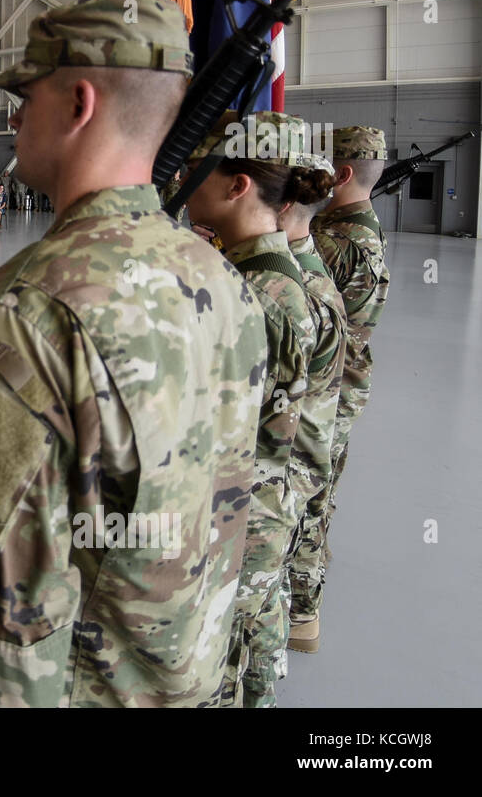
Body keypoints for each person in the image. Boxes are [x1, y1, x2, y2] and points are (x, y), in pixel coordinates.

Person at [0, 0, 267, 708]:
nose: (13, 117)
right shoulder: (224, 278)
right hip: (192, 676)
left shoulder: (20, 317)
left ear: (78, 103)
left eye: (27, 96)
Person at [184, 110, 318, 708]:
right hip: (248, 511)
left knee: (216, 674)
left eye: (198, 169)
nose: (186, 180)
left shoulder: (257, 296)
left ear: (237, 185)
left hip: (234, 522)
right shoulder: (255, 276)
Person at [297, 126, 391, 653]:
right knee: (324, 481)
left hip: (326, 385)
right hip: (348, 379)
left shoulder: (335, 243)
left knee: (307, 493)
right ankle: (316, 554)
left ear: (344, 173)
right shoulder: (360, 227)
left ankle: (303, 612)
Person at [276, 156, 347, 659]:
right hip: (311, 441)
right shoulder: (307, 269)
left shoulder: (290, 289)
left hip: (290, 461)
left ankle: (297, 617)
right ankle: (302, 616)